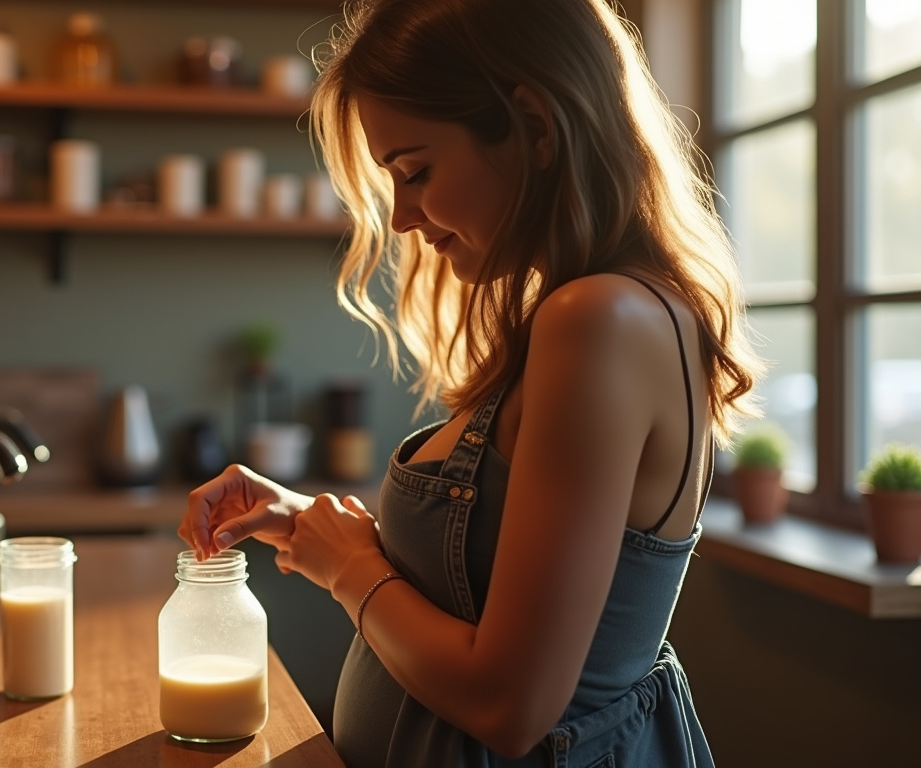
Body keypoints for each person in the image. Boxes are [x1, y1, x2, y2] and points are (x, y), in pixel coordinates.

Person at [180, 0, 762, 765]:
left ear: (537, 126)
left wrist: (351, 569)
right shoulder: (601, 311)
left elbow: (508, 704)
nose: (401, 218)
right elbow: (492, 584)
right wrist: (308, 527)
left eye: (415, 171)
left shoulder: (597, 319)